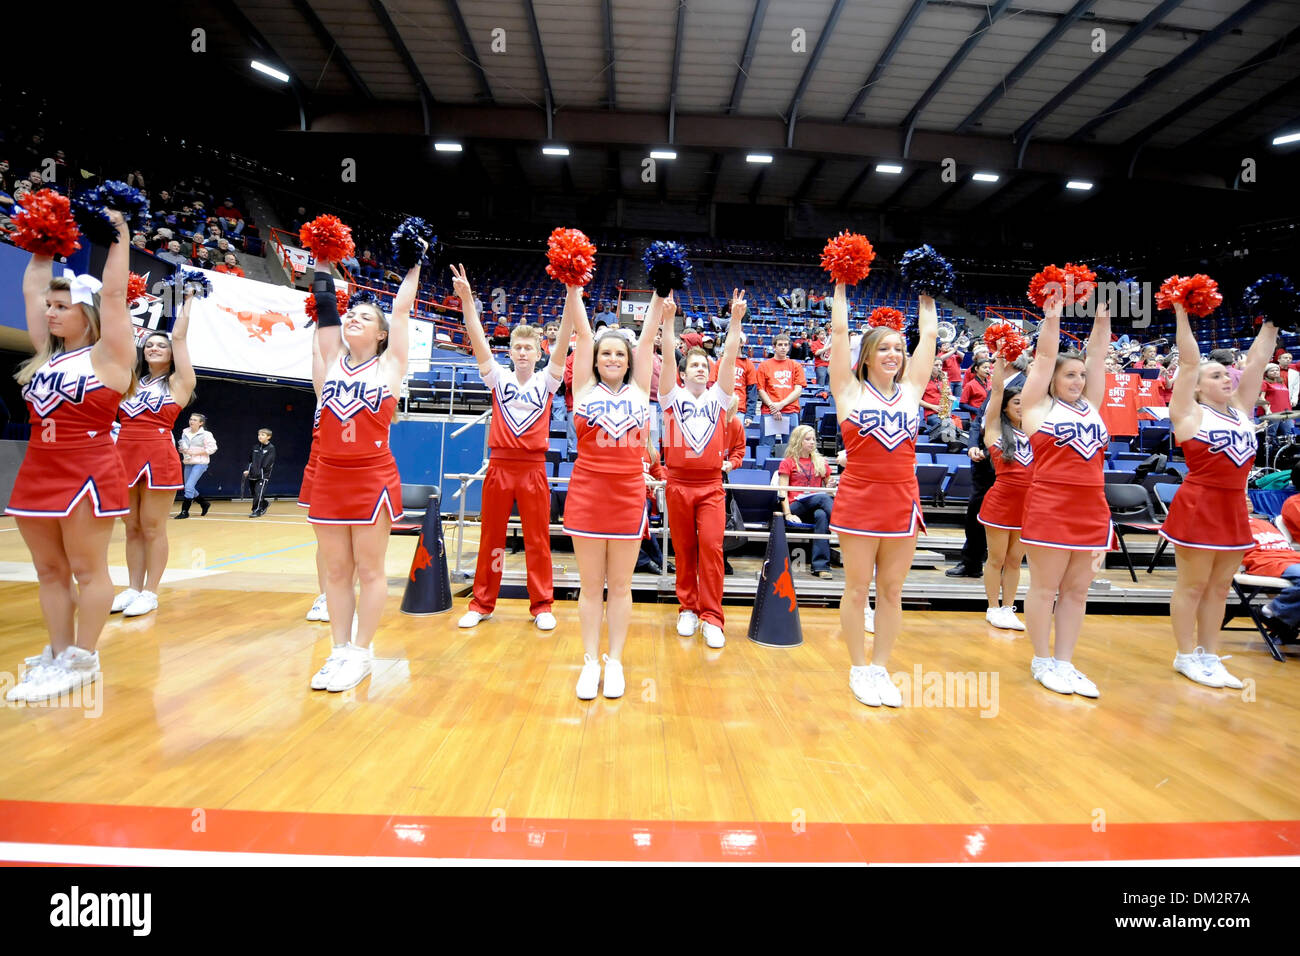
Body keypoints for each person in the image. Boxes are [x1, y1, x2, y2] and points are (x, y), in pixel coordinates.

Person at [4, 208, 135, 703]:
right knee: (49, 570)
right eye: (50, 307)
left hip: (88, 469)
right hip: (38, 468)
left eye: (62, 306)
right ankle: (59, 654)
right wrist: (42, 239)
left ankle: (84, 656)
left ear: (88, 313)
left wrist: (120, 236)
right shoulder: (46, 355)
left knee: (87, 568)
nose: (50, 312)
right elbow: (31, 288)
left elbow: (116, 295)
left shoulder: (108, 355)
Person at [304, 244, 418, 693]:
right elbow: (327, 303)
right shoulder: (330, 359)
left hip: (371, 475)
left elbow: (403, 309)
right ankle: (338, 650)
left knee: (369, 570)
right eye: (353, 315)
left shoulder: (390, 366)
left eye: (366, 318)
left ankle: (362, 652)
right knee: (335, 571)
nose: (354, 319)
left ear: (382, 334)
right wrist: (323, 253)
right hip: (329, 475)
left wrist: (413, 260)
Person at [828, 283, 938, 708]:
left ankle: (881, 668)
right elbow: (839, 335)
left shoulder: (912, 392)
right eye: (884, 348)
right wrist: (840, 287)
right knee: (857, 590)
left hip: (901, 499)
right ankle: (858, 668)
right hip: (859, 496)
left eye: (898, 348)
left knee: (892, 591)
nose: (893, 354)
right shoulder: (849, 392)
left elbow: (928, 336)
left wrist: (927, 296)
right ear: (868, 356)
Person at [454, 263, 574, 633]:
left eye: (529, 347)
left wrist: (572, 292)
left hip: (533, 468)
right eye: (517, 347)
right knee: (492, 536)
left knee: (538, 539)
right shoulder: (498, 377)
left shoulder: (548, 381)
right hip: (500, 467)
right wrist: (466, 303)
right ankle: (482, 602)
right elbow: (476, 337)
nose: (523, 352)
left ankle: (541, 605)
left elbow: (568, 333)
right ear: (509, 351)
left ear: (540, 352)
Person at [1160, 299, 1273, 689]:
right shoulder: (1188, 413)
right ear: (1197, 386)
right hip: (1199, 503)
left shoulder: (1242, 410)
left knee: (1222, 587)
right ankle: (1185, 655)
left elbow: (1257, 361)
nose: (1228, 379)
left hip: (1234, 507)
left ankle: (1210, 655)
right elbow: (1190, 362)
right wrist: (1180, 313)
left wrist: (1272, 320)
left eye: (1228, 374)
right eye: (1217, 375)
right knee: (1192, 585)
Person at [563, 289, 667, 700]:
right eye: (606, 354)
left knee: (621, 587)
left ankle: (616, 661)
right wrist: (573, 287)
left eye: (619, 355)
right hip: (587, 492)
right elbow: (584, 333)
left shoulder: (641, 392)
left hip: (627, 493)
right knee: (591, 588)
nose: (612, 359)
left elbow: (646, 339)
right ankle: (590, 661)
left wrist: (659, 294)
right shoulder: (584, 391)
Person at [1017, 296, 1112, 698]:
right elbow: (1043, 356)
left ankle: (1065, 662)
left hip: (1093, 509)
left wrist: (1103, 312)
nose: (1078, 381)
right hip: (1050, 505)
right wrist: (1053, 313)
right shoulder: (1038, 408)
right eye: (1070, 375)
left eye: (1081, 376)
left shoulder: (1092, 406)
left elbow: (1099, 354)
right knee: (1044, 588)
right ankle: (1042, 660)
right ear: (1053, 380)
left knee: (1077, 592)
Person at [660, 289, 743, 648]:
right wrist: (667, 320)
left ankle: (712, 616)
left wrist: (735, 320)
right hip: (677, 484)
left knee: (710, 548)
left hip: (711, 486)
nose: (700, 367)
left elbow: (730, 356)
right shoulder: (670, 396)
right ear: (682, 372)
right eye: (693, 364)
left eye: (703, 365)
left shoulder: (719, 397)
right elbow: (664, 356)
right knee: (684, 549)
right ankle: (687, 610)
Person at [111, 287, 197, 618]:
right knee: (130, 526)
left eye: (161, 345)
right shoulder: (130, 383)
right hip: (124, 453)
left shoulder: (179, 383)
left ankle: (151, 591)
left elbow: (180, 338)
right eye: (149, 344)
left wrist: (187, 299)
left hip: (157, 453)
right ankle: (132, 587)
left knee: (152, 526)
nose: (154, 348)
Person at [977, 354, 1032, 631]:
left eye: (1026, 402)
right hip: (1000, 503)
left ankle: (1009, 608)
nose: (1022, 407)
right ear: (1006, 408)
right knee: (996, 558)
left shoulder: (1037, 433)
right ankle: (992, 607)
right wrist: (1000, 359)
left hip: (1027, 507)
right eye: (1017, 403)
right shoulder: (995, 431)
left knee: (1014, 560)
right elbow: (997, 390)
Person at [778, 425, 836, 579]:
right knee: (823, 498)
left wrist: (830, 486)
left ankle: (821, 567)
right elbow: (782, 490)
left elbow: (829, 488)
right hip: (796, 506)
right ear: (798, 441)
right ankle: (841, 523)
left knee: (822, 515)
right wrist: (788, 514)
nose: (812, 442)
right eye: (808, 439)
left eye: (814, 439)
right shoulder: (788, 462)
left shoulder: (821, 461)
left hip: (816, 504)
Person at [756, 334, 805, 448]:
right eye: (780, 345)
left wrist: (781, 404)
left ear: (789, 348)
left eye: (786, 345)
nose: (783, 347)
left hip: (790, 410)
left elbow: (798, 390)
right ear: (774, 347)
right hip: (769, 411)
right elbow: (760, 389)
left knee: (791, 448)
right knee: (765, 447)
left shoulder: (796, 366)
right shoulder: (764, 365)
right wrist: (773, 406)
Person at [176, 412, 217, 517]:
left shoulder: (206, 434)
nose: (191, 421)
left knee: (189, 486)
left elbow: (212, 448)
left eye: (194, 420)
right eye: (191, 419)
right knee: (189, 488)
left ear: (201, 423)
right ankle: (204, 503)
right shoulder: (185, 432)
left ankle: (184, 512)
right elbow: (185, 447)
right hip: (188, 462)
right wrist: (182, 450)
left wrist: (195, 452)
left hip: (200, 463)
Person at [243, 428, 276, 517]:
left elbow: (267, 463)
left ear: (268, 437)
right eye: (259, 435)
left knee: (258, 493)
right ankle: (264, 503)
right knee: (254, 494)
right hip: (252, 474)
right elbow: (250, 461)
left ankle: (256, 510)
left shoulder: (271, 448)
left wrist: (260, 472)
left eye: (263, 435)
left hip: (262, 476)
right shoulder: (255, 447)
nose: (260, 436)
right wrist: (247, 470)